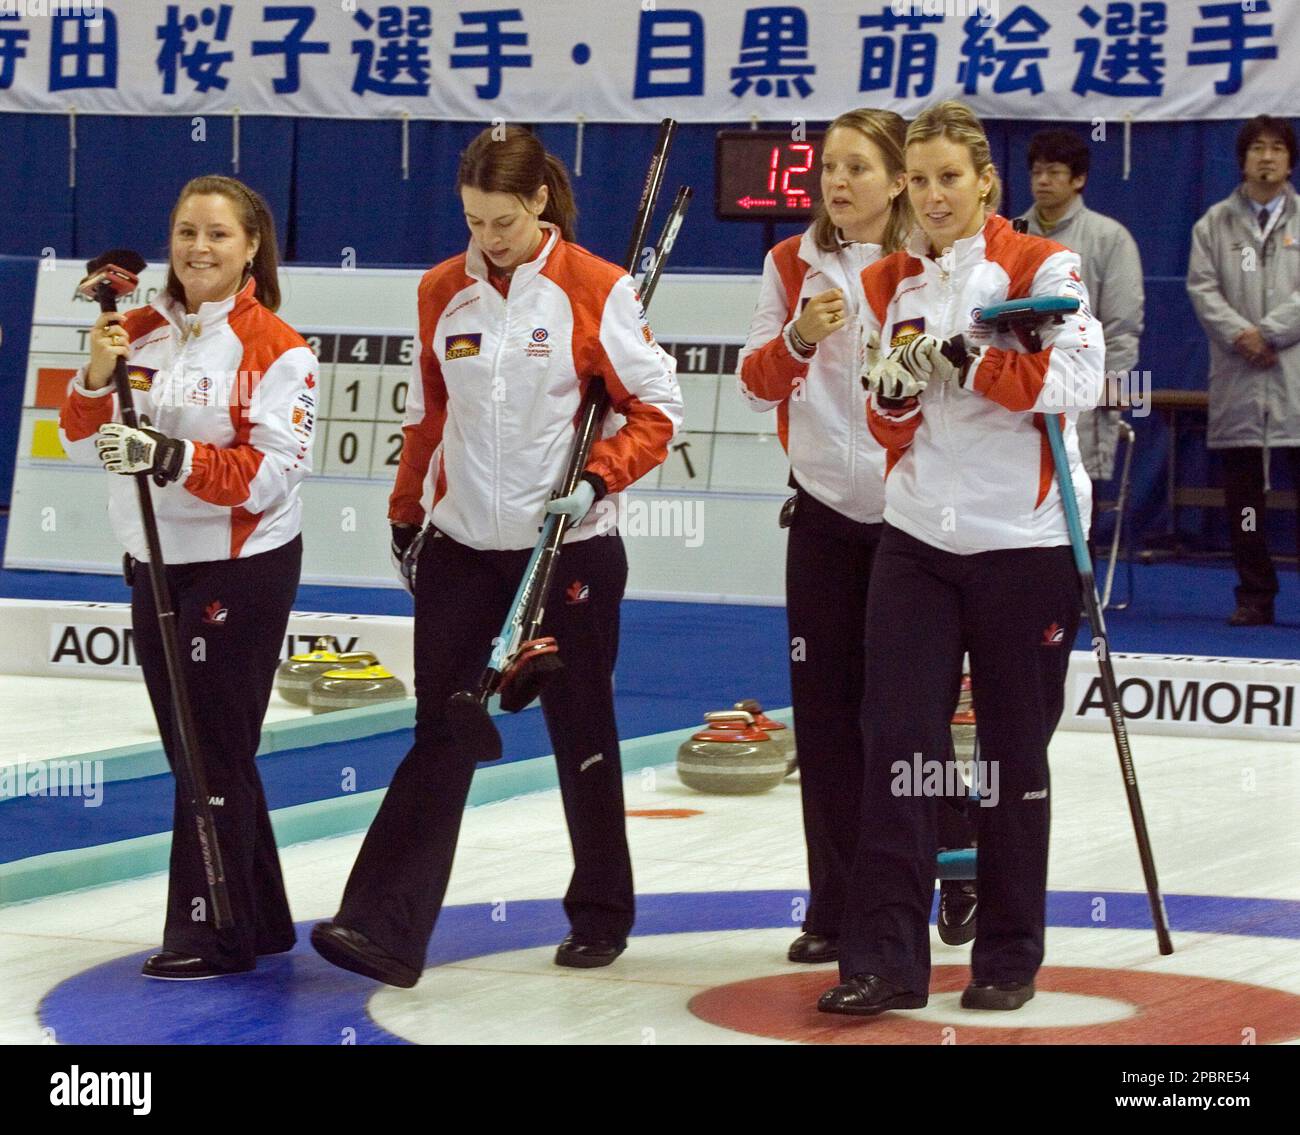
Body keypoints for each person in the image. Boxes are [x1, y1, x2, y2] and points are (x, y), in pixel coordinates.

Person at [310, 126, 682, 988]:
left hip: (570, 546)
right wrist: (408, 513)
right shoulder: (443, 290)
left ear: (540, 203)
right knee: (441, 726)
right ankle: (382, 926)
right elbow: (430, 415)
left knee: (580, 725)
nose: (489, 238)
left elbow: (657, 412)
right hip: (464, 547)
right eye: (475, 221)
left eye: (504, 221)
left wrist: (598, 476)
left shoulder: (597, 289)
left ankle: (601, 909)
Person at [817, 100, 1104, 1017]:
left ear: (986, 180)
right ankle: (882, 959)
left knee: (1013, 751)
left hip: (1025, 546)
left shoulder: (1039, 264)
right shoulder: (888, 283)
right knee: (896, 742)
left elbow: (1079, 381)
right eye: (923, 179)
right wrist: (896, 392)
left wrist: (963, 361)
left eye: (953, 177)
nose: (936, 195)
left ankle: (1009, 953)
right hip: (918, 540)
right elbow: (885, 417)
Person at [58, 175, 317, 979]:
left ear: (250, 249)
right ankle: (262, 916)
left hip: (238, 568)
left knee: (207, 749)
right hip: (154, 563)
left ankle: (210, 929)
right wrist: (97, 378)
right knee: (208, 749)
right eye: (184, 233)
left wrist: (169, 457)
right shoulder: (133, 329)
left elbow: (273, 472)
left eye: (217, 235)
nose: (197, 248)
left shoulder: (279, 347)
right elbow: (75, 443)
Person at [739, 109, 982, 963]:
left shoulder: (931, 269)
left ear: (897, 178)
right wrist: (801, 336)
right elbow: (754, 383)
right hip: (822, 517)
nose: (837, 184)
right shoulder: (787, 264)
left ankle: (956, 863)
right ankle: (835, 903)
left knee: (907, 712)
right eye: (827, 170)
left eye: (857, 168)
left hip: (913, 522)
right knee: (826, 713)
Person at [1187, 115, 1300, 627]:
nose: (1267, 157)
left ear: (1290, 160)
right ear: (1242, 159)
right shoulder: (1213, 223)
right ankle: (1255, 595)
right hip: (1238, 377)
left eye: (1277, 148)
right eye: (1257, 148)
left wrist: (1271, 332)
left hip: (1292, 376)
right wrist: (1242, 336)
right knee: (1244, 502)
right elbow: (1202, 289)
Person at [1018, 129, 1144, 524]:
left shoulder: (1110, 238)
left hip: (1084, 392)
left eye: (1054, 172)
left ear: (1079, 179)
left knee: (1077, 513)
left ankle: (1081, 586)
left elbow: (1124, 325)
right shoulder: (1011, 233)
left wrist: (1111, 386)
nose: (1042, 181)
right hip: (1019, 390)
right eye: (1037, 172)